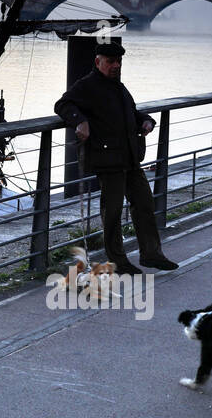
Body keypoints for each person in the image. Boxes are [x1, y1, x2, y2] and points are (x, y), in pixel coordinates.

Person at [54, 41, 178, 274]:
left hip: (130, 158)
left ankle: (152, 254)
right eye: (111, 61)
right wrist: (79, 120)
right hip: (108, 160)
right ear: (98, 61)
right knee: (112, 212)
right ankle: (118, 261)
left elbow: (131, 112)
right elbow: (62, 104)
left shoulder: (118, 87)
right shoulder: (87, 86)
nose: (116, 65)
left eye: (118, 61)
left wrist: (146, 120)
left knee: (144, 204)